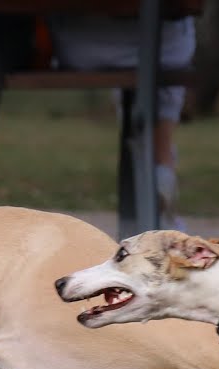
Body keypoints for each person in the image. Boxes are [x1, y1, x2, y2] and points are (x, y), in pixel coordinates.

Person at [50, 13, 195, 229]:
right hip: (163, 49)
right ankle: (161, 160)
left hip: (81, 46)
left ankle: (158, 165)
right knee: (169, 31)